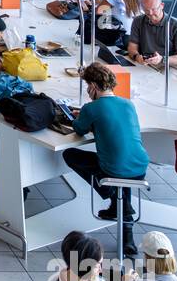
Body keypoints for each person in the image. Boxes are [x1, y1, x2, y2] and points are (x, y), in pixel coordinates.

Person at [63, 61, 150, 256]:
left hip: (114, 168)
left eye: (87, 86)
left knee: (70, 155)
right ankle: (127, 237)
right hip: (140, 165)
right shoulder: (128, 103)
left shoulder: (91, 108)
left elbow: (78, 129)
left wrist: (82, 116)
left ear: (93, 86)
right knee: (123, 178)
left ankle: (111, 194)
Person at [126, 0, 177, 76]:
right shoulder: (138, 21)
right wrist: (137, 56)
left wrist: (162, 59)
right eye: (146, 10)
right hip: (149, 64)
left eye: (153, 9)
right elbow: (132, 47)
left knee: (158, 82)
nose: (150, 13)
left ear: (162, 6)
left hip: (173, 66)